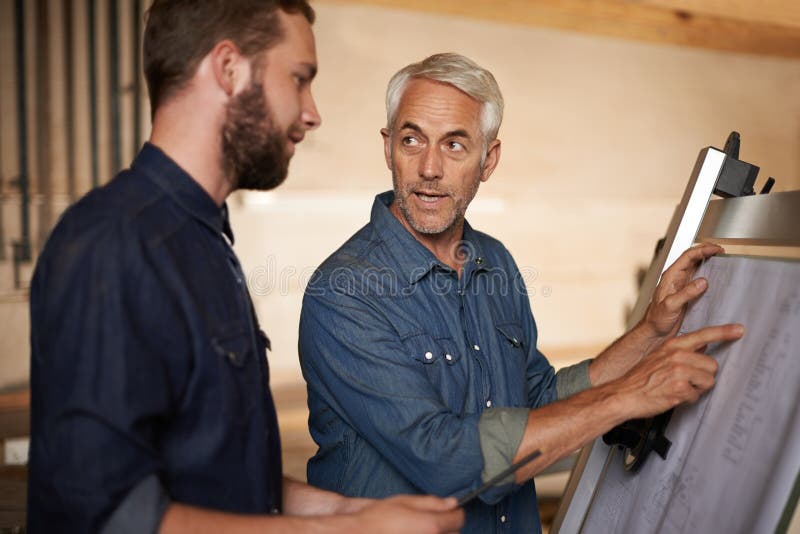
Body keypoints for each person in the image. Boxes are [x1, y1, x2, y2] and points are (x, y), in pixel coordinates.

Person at [26, 3, 464, 533]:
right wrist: (344, 531)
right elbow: (108, 516)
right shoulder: (115, 244)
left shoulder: (201, 238)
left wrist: (354, 509)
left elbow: (219, 476)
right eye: (299, 80)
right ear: (228, 68)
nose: (312, 113)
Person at [298, 52, 744, 533]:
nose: (429, 167)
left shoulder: (496, 264)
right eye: (412, 140)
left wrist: (651, 331)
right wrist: (627, 396)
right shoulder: (343, 293)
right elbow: (445, 460)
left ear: (488, 160)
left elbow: (541, 401)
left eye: (454, 145)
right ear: (388, 149)